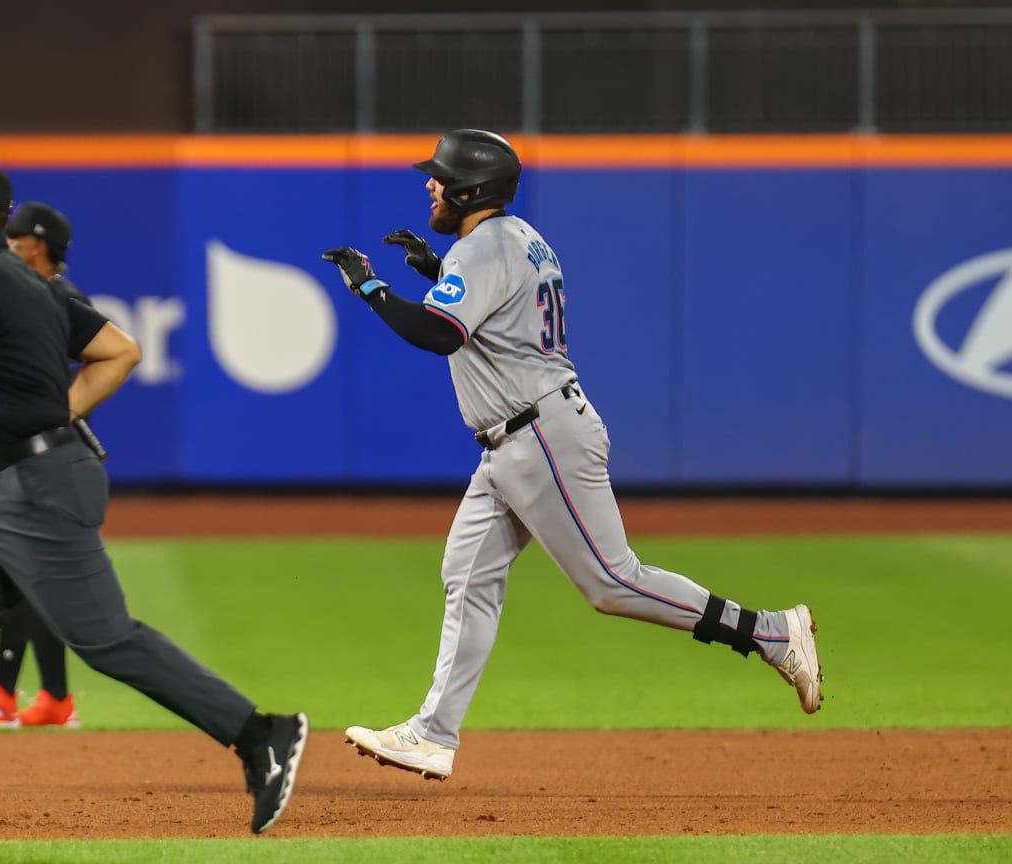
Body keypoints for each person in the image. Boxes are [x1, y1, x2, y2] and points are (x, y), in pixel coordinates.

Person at [0, 154, 307, 860]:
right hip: (13, 487)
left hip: (29, 490)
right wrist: (49, 419)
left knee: (104, 638)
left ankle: (262, 735)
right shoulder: (28, 281)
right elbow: (120, 351)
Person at [320, 129, 823, 782]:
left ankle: (772, 633)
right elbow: (495, 315)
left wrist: (370, 287)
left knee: (613, 583)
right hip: (515, 441)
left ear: (473, 190)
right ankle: (433, 733)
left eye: (440, 176)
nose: (430, 184)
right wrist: (434, 270)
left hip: (541, 437)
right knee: (467, 578)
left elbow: (437, 334)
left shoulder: (485, 247)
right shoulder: (512, 238)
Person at [0, 201, 86, 730]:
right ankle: (52, 696)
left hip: (47, 461)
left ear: (34, 244)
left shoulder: (59, 297)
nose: (5, 245)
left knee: (21, 570)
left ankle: (3, 693)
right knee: (27, 571)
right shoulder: (23, 295)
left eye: (13, 238)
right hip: (18, 455)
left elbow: (110, 356)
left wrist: (62, 415)